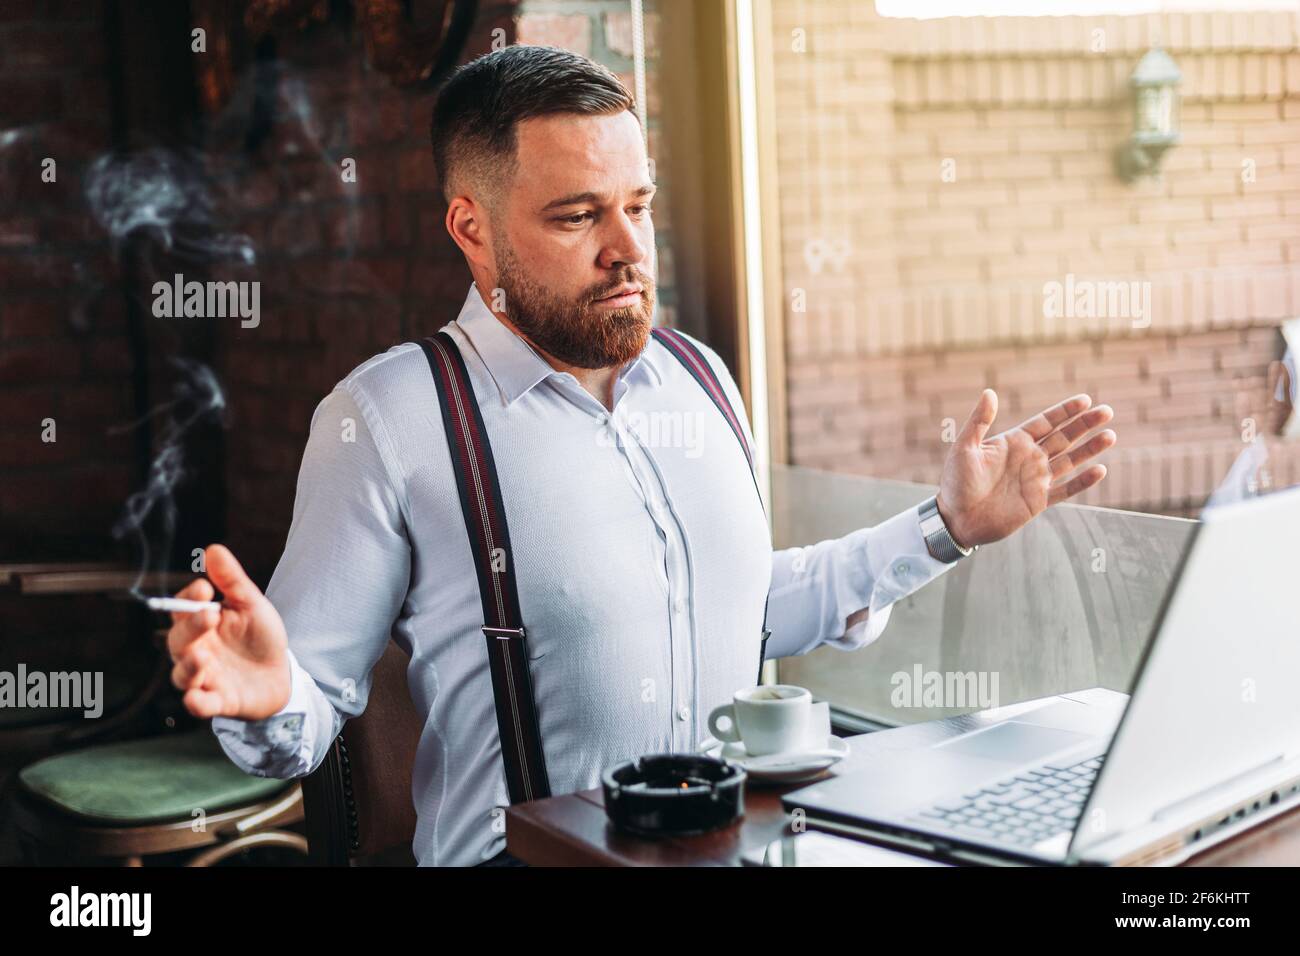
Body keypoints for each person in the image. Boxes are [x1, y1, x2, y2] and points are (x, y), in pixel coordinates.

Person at [164, 45, 1117, 866]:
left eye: (639, 205)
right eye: (579, 217)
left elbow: (746, 605)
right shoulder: (386, 419)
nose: (629, 250)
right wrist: (263, 700)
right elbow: (306, 715)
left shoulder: (700, 377)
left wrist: (944, 530)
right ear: (474, 232)